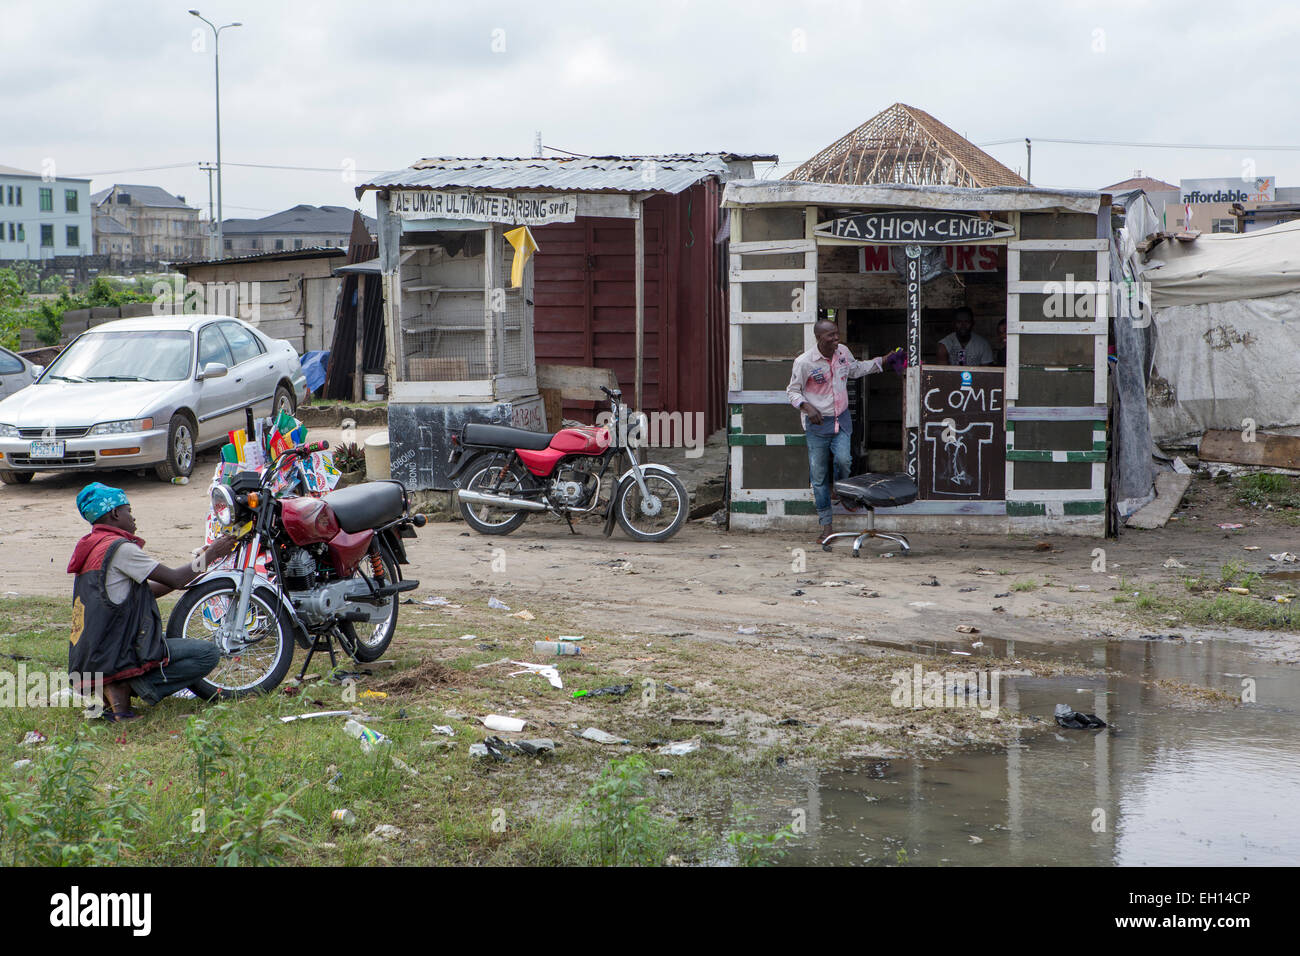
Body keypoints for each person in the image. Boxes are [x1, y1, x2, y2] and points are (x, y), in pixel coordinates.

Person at [67, 482, 235, 722]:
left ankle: (115, 687)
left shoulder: (92, 546)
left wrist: (200, 565)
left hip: (91, 654)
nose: (133, 519)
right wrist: (211, 555)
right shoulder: (120, 549)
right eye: (129, 511)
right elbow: (176, 579)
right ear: (115, 513)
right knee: (207, 653)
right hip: (114, 653)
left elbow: (148, 592)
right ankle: (129, 684)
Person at [787, 319, 896, 544]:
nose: (836, 339)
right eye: (831, 336)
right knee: (818, 477)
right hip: (817, 424)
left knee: (845, 460)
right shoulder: (804, 362)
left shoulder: (843, 352)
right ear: (819, 337)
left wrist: (882, 361)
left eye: (837, 334)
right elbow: (792, 391)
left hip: (841, 419)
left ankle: (842, 491)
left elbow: (855, 370)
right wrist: (807, 407)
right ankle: (826, 525)